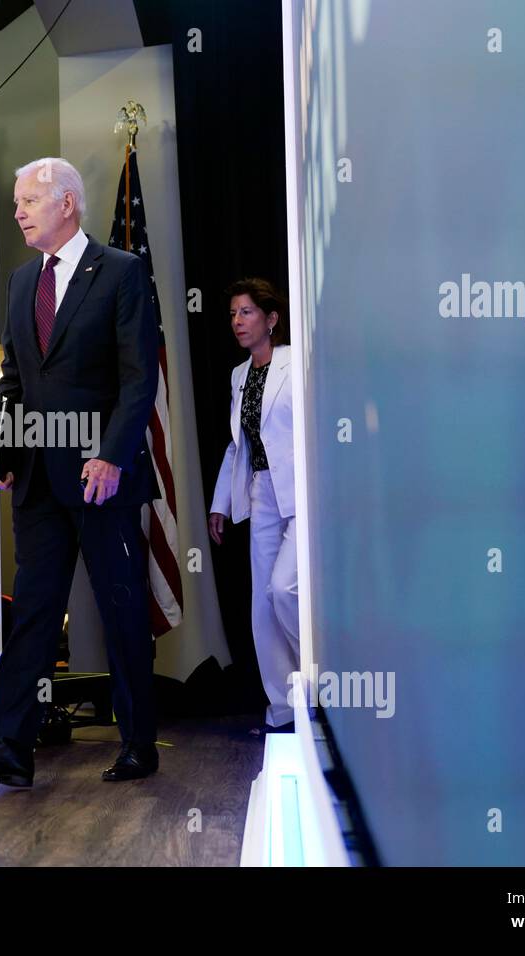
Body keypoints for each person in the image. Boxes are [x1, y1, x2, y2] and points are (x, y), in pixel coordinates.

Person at [0, 157, 160, 787]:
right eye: (17, 202)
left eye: (29, 201)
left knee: (120, 610)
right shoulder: (19, 282)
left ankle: (139, 744)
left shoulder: (120, 271)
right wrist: (3, 449)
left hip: (102, 475)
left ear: (66, 203)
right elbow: (14, 377)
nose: (18, 211)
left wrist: (113, 454)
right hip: (38, 473)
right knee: (34, 610)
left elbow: (137, 378)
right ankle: (11, 745)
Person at [207, 279, 300, 733]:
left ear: (271, 319)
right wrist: (221, 503)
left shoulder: (295, 363)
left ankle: (323, 688)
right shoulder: (239, 375)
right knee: (262, 607)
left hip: (300, 492)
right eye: (232, 314)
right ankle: (283, 710)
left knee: (285, 590)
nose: (237, 322)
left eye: (246, 312)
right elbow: (236, 445)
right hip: (261, 492)